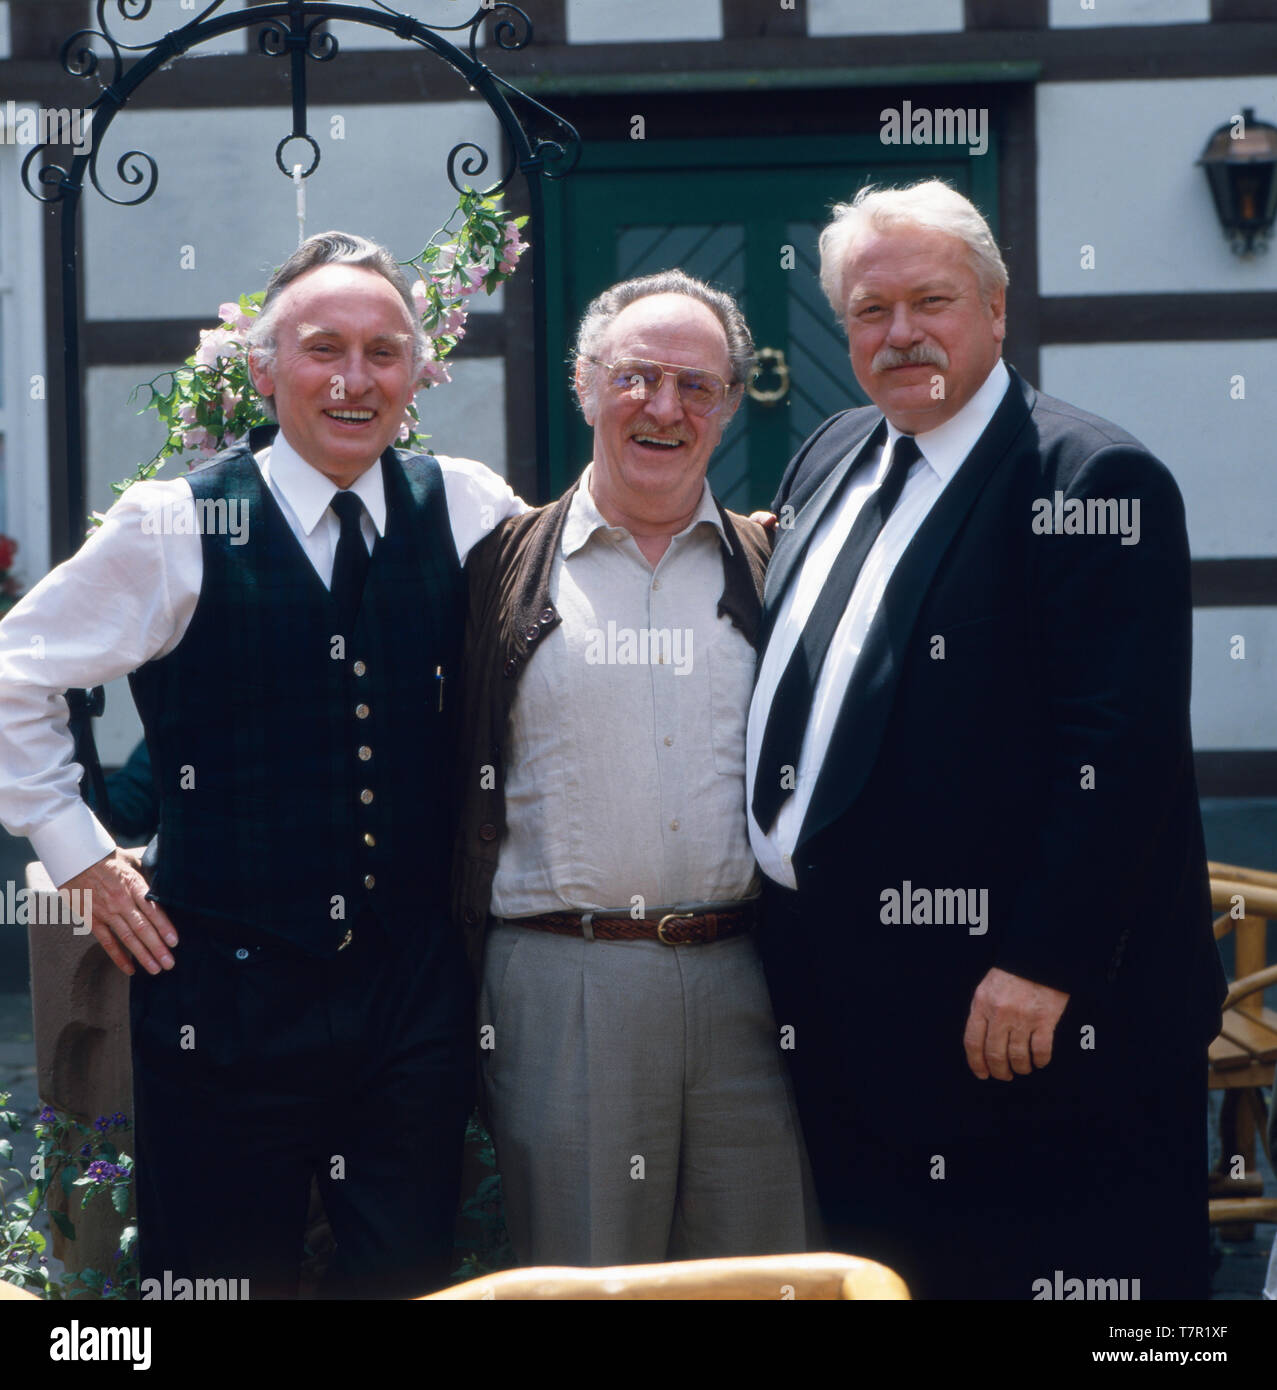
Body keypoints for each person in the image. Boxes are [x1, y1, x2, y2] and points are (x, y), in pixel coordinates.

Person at [0, 230, 523, 1298]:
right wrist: (81, 854)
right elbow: (15, 670)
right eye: (323, 347)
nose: (353, 378)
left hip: (411, 996)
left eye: (384, 352)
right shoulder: (175, 523)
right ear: (264, 368)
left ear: (418, 373)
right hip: (222, 995)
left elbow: (568, 620)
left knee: (409, 1280)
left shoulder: (465, 504)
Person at [746, 181, 1226, 1300]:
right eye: (869, 310)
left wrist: (1041, 963)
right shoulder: (828, 453)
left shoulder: (1088, 479)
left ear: (996, 310)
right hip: (854, 1007)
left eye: (931, 300)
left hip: (1028, 1020)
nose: (899, 332)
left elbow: (1121, 749)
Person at [454, 270, 812, 1266]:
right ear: (583, 384)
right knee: (586, 1277)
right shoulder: (494, 566)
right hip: (565, 985)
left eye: (695, 386)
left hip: (750, 984)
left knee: (763, 1276)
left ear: (732, 403)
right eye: (635, 377)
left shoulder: (779, 567)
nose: (663, 407)